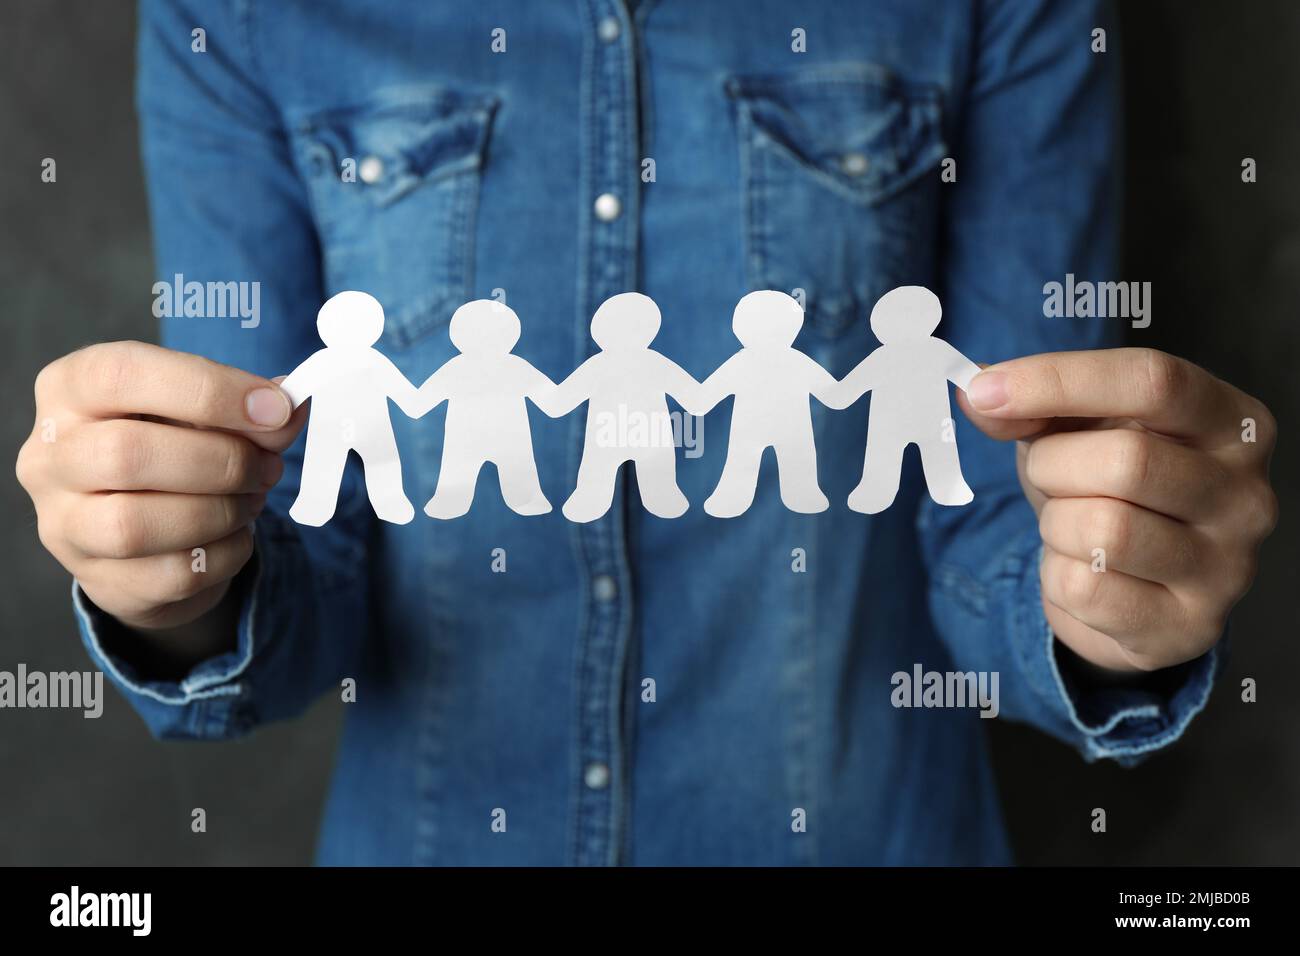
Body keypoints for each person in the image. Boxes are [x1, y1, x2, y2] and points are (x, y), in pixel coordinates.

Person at [15, 0, 1277, 865]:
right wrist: (170, 581)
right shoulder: (237, 16)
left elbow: (1000, 518)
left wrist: (1115, 603)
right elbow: (296, 561)